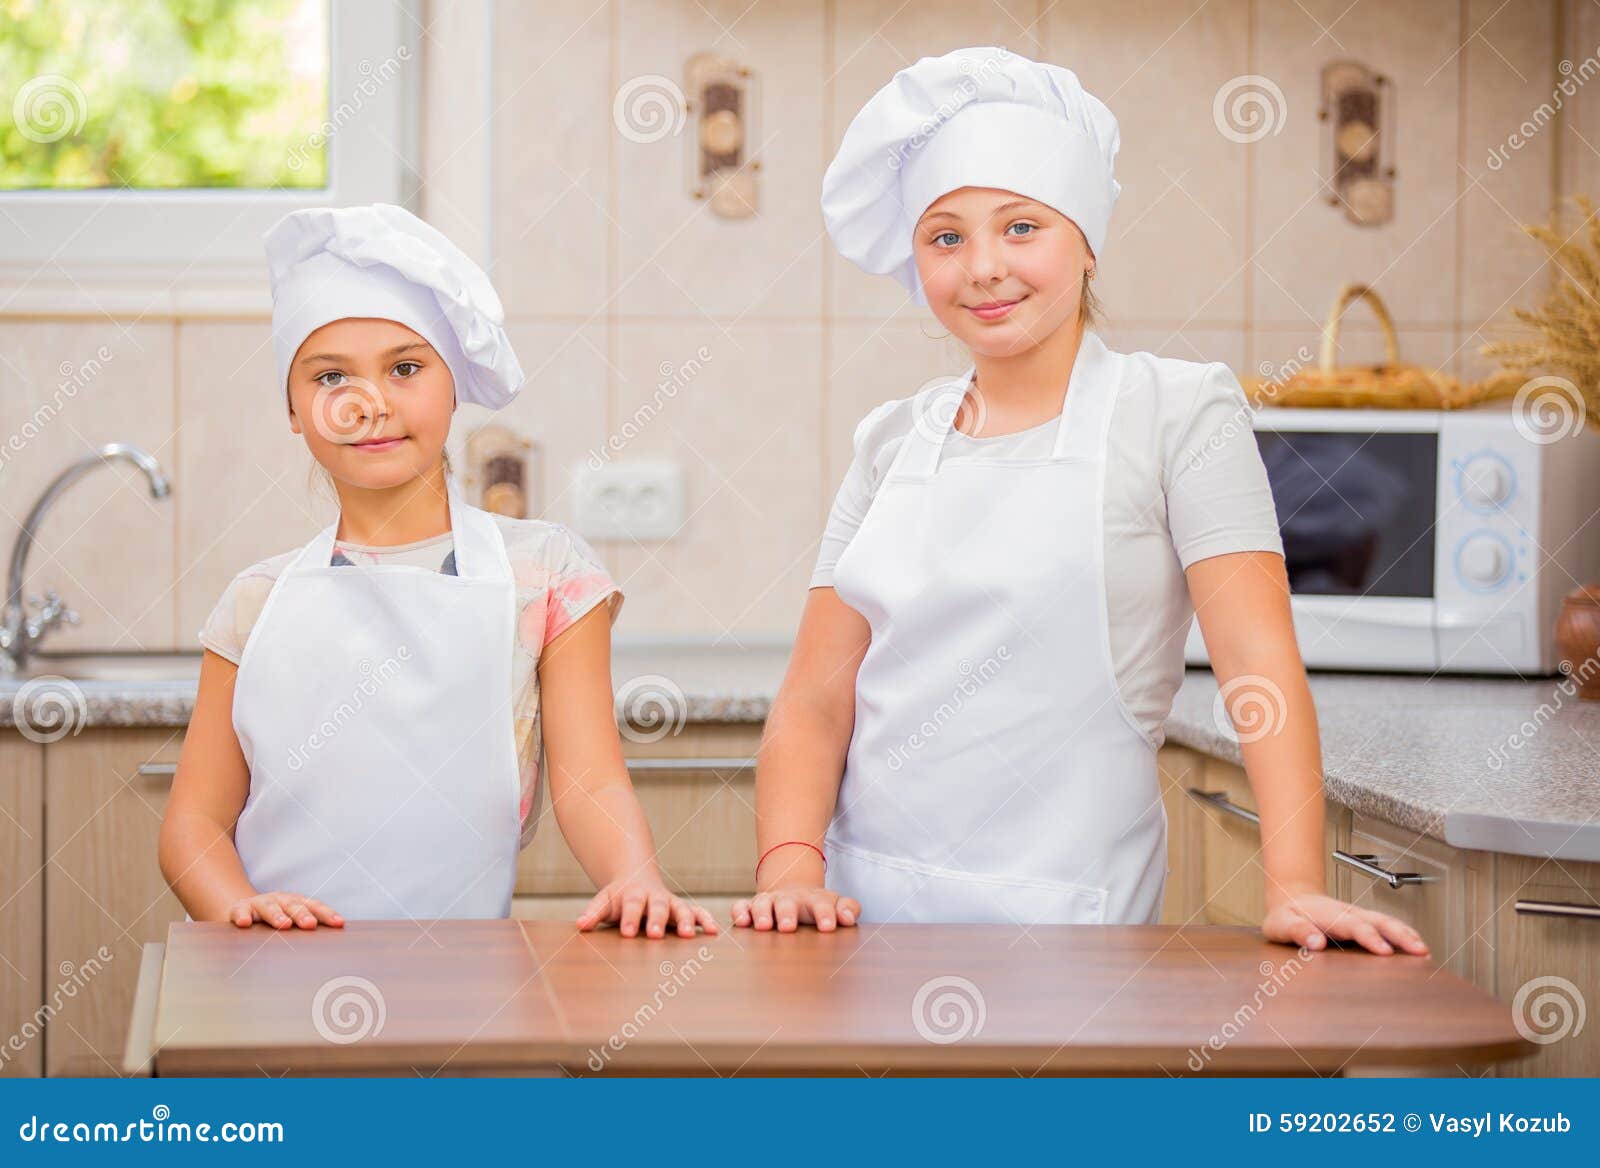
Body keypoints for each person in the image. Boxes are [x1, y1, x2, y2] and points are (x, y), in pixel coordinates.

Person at [732, 48, 1425, 957]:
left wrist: (1295, 887)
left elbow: (1256, 664)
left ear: (1087, 241)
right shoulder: (892, 440)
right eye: (945, 238)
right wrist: (790, 871)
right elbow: (815, 701)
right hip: (865, 922)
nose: (984, 268)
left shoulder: (1179, 412)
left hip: (1075, 931)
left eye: (1022, 227)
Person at [159, 204, 716, 940]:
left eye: (406, 368)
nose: (369, 403)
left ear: (454, 386)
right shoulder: (256, 603)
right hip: (274, 970)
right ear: (293, 409)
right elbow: (193, 823)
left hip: (465, 975)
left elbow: (591, 782)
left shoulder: (545, 576)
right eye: (331, 376)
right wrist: (237, 907)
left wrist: (633, 876)